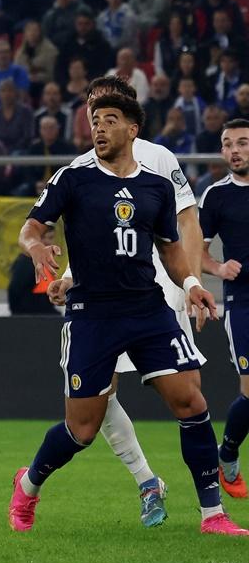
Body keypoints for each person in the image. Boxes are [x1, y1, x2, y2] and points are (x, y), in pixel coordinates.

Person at [14, 93, 247, 536]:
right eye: (94, 120)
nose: (98, 128)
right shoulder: (74, 178)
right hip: (92, 316)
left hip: (146, 309)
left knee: (191, 403)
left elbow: (172, 251)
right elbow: (31, 228)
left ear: (132, 130)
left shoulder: (155, 186)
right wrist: (37, 247)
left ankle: (212, 516)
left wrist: (194, 284)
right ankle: (28, 485)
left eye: (109, 120)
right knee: (82, 428)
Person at [48, 76, 206, 526]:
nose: (98, 121)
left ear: (130, 117)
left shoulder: (159, 159)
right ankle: (146, 481)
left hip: (157, 294)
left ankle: (214, 487)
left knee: (186, 395)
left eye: (107, 111)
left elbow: (186, 222)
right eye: (92, 111)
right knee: (98, 399)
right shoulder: (80, 166)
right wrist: (67, 277)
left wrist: (189, 283)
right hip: (99, 303)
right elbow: (88, 239)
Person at [198, 118, 249, 499]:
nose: (235, 150)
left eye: (243, 143)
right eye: (228, 144)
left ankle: (227, 453)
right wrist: (217, 267)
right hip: (242, 301)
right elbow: (192, 251)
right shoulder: (215, 196)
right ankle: (227, 455)